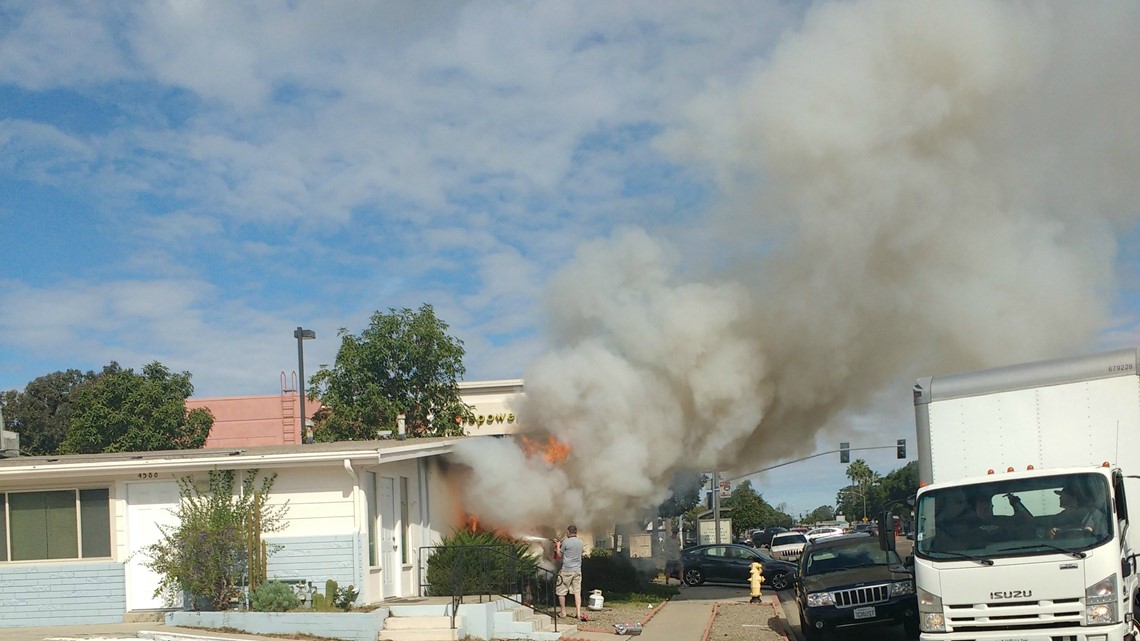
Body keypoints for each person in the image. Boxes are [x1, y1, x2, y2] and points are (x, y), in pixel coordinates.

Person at [555, 524, 584, 620]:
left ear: (568, 532)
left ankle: (563, 612)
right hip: (577, 571)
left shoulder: (566, 542)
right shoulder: (580, 542)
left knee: (561, 592)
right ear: (576, 532)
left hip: (566, 571)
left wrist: (558, 546)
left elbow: (559, 555)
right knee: (577, 592)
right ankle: (578, 613)